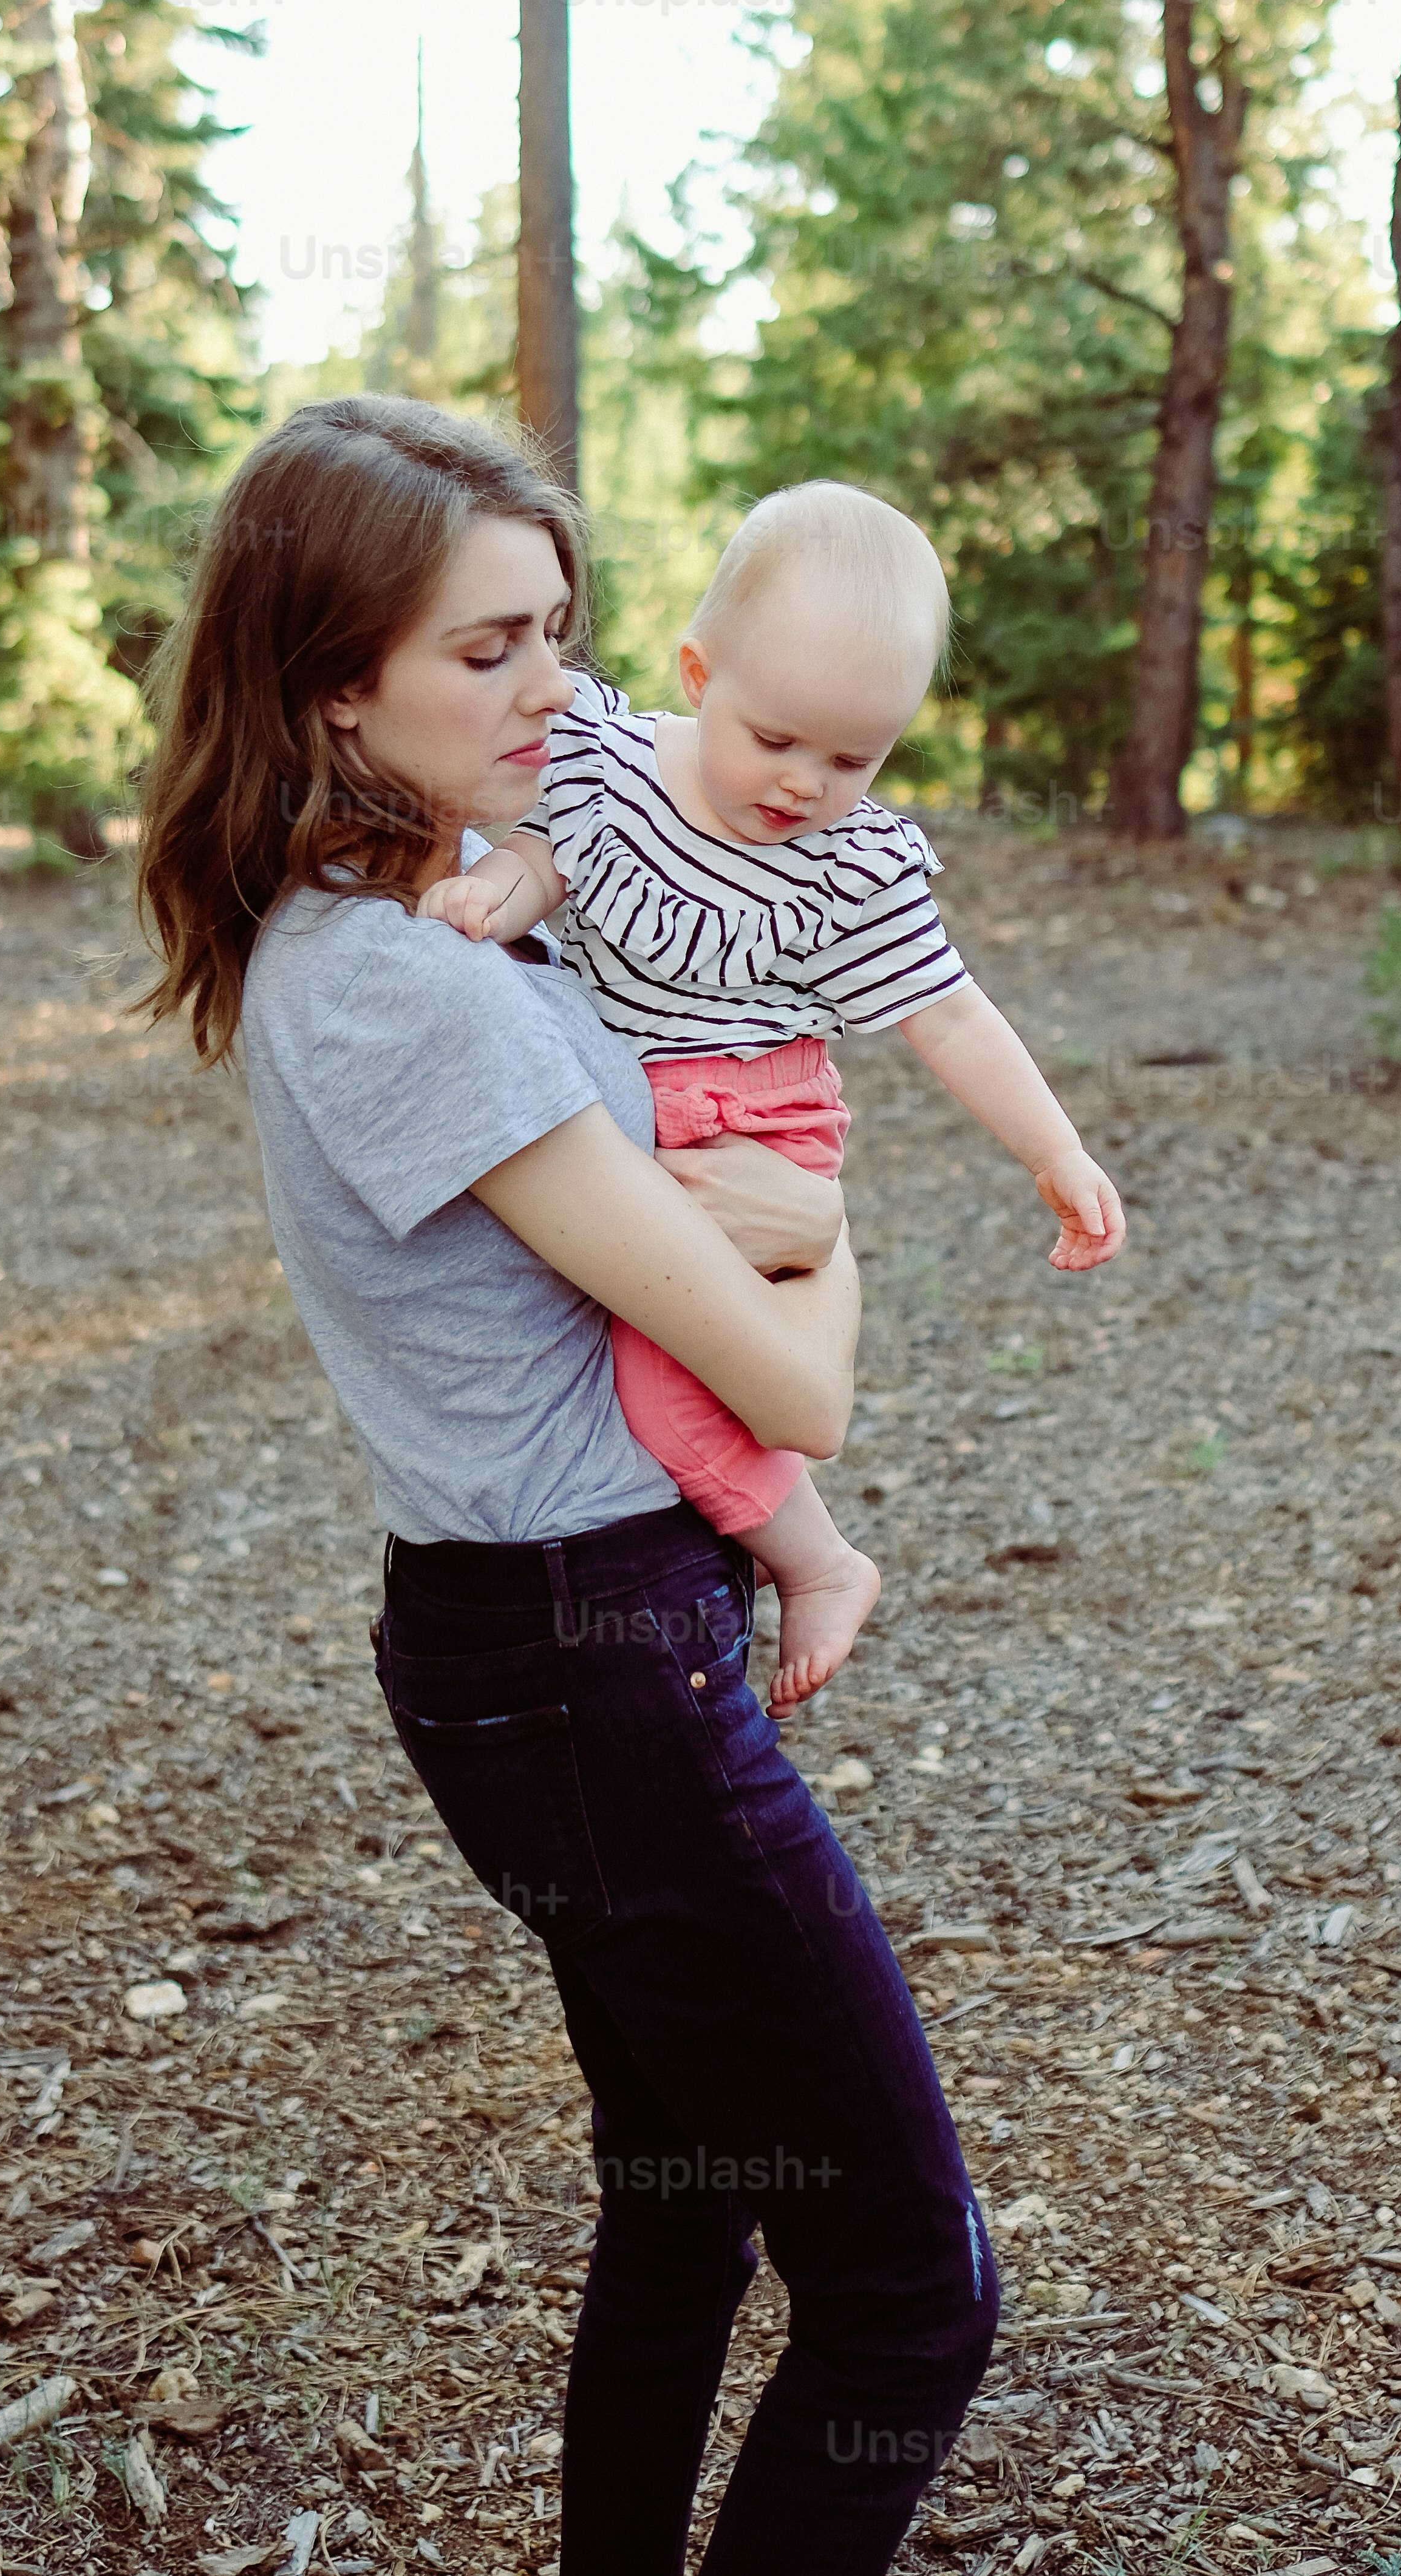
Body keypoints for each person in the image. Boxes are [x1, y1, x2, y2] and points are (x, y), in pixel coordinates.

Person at [134, 396, 999, 2576]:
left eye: (570, 634)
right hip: (588, 1664)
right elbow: (793, 1382)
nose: (562, 693)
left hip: (562, 1641)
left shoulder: (431, 917)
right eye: (492, 649)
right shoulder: (403, 978)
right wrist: (833, 1249)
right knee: (916, 2288)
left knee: (688, 2199)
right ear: (336, 682)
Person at [421, 480, 1127, 1710]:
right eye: (776, 738)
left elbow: (949, 1012)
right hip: (631, 1109)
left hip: (753, 1116)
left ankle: (815, 1559)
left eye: (852, 757)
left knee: (662, 1372)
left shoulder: (844, 871)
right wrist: (507, 897)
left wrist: (1054, 1154)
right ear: (697, 673)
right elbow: (546, 860)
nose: (802, 784)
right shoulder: (605, 767)